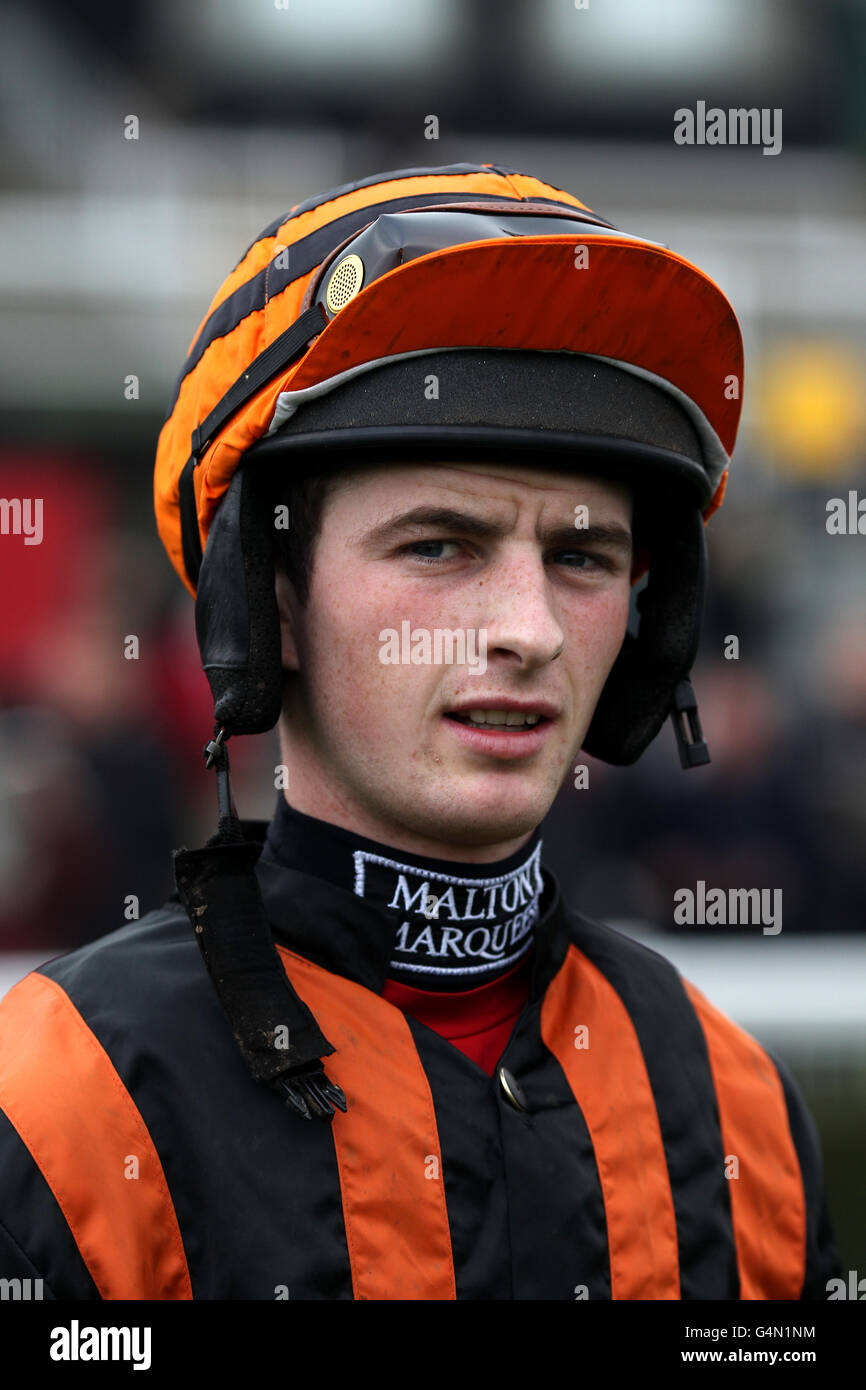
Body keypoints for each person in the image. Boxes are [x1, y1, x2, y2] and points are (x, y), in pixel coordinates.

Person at [0, 163, 842, 1300]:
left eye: (580, 556)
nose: (529, 629)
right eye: (439, 545)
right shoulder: (57, 1108)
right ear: (272, 603)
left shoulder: (741, 1112)